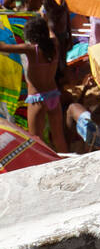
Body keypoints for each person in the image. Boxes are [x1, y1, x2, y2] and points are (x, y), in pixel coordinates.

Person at [0, 15, 67, 152]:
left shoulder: (31, 50)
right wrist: (45, 20)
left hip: (37, 99)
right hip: (53, 96)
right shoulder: (54, 45)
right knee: (59, 138)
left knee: (37, 142)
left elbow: (3, 47)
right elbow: (51, 31)